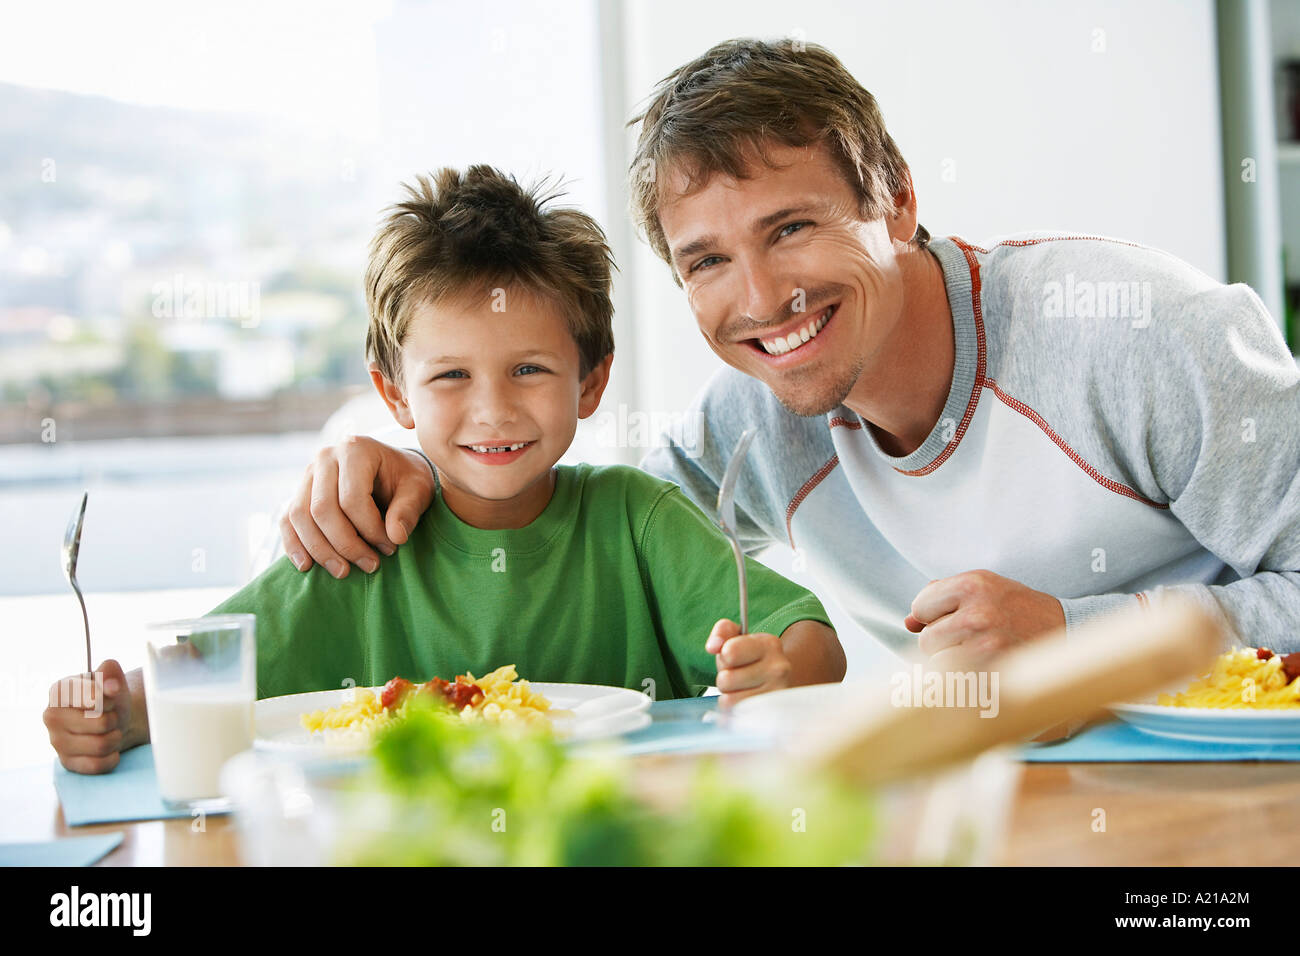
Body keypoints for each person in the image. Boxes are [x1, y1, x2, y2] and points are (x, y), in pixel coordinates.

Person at [279, 38, 1300, 669]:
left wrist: (1084, 635)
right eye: (707, 260)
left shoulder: (1128, 333)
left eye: (790, 228)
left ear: (894, 199)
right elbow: (576, 523)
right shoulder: (749, 428)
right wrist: (405, 459)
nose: (762, 299)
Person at [44, 164, 845, 774]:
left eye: (529, 370)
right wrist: (116, 713)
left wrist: (780, 669)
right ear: (394, 393)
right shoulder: (356, 543)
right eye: (451, 376)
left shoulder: (637, 521)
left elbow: (810, 643)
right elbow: (200, 680)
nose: (493, 410)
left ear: (592, 381)